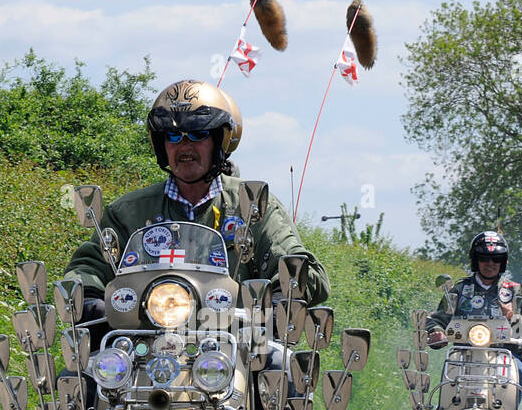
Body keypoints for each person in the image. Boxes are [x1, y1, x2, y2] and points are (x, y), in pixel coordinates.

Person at [63, 79, 329, 311]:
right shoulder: (128, 212)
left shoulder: (253, 205)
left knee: (277, 365)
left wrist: (282, 295)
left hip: (241, 345)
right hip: (143, 345)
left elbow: (304, 270)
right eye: (173, 136)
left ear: (219, 141)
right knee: (78, 369)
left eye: (198, 134)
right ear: (161, 144)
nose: (185, 146)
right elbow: (89, 265)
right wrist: (90, 298)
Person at [424, 230, 522, 405]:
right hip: (464, 354)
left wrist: (514, 316)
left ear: (503, 262)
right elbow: (437, 319)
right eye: (484, 258)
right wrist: (436, 332)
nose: (490, 263)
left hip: (507, 354)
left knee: (519, 371)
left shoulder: (517, 292)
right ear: (474, 260)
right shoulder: (458, 290)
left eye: (496, 259)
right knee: (448, 376)